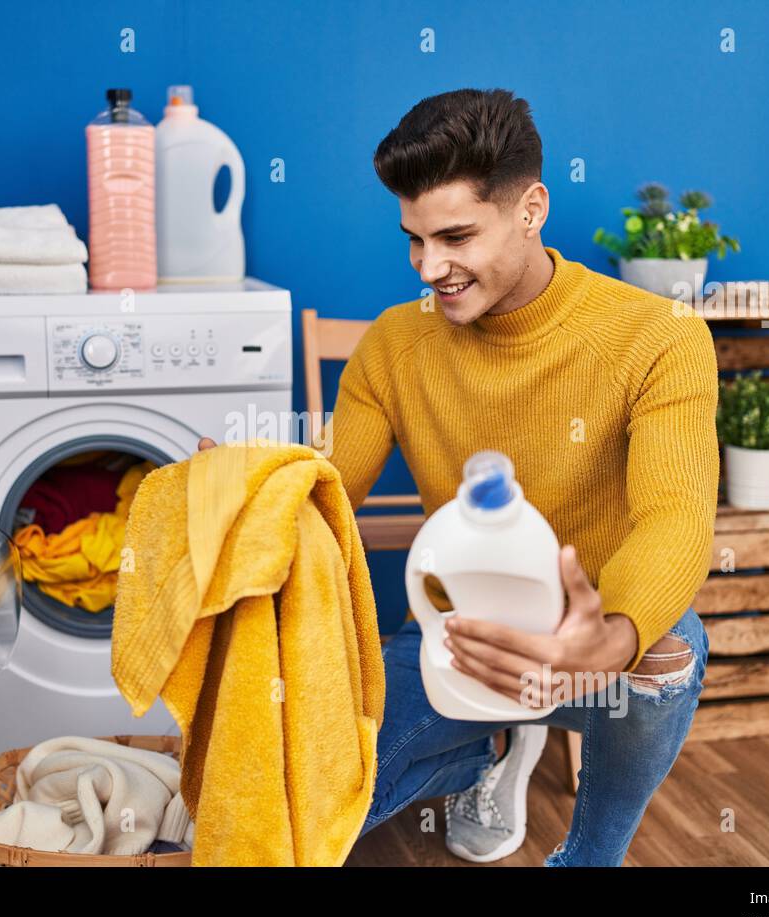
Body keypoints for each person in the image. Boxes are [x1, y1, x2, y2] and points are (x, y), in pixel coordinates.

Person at [201, 87, 718, 867]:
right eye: (413, 239)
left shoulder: (655, 339)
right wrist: (243, 493)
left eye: (455, 237)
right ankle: (491, 750)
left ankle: (590, 856)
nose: (429, 267)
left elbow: (676, 517)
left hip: (596, 648)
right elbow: (331, 488)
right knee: (308, 796)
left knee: (672, 648)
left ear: (531, 208)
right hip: (460, 635)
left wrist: (606, 640)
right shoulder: (395, 346)